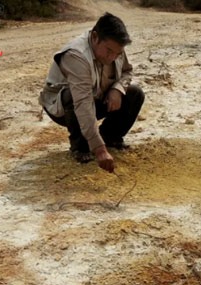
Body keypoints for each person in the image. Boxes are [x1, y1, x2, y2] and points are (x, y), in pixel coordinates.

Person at [39, 12, 144, 173]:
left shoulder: (115, 48)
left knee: (135, 93)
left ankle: (111, 138)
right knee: (71, 95)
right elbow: (82, 102)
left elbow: (127, 72)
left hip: (97, 98)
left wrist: (117, 89)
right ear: (95, 37)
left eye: (117, 53)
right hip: (63, 107)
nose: (112, 57)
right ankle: (80, 147)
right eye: (109, 51)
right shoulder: (76, 55)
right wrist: (99, 150)